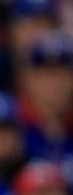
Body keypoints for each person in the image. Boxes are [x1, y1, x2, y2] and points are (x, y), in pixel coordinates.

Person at [16, 31, 73, 176]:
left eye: (61, 73)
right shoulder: (11, 126)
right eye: (45, 74)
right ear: (27, 79)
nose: (54, 83)